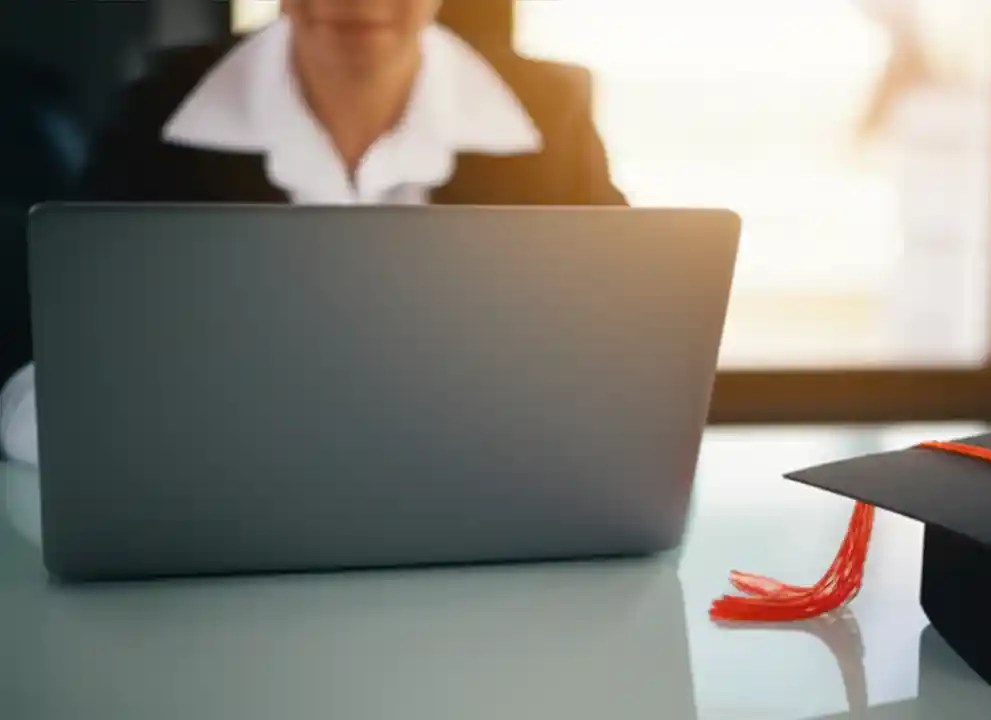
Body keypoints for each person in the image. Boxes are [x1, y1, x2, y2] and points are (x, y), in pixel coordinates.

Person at [0, 0, 626, 466]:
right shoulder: (153, 115)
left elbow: (619, 358)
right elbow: (51, 386)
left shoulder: (551, 117)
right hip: (229, 533)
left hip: (487, 528)